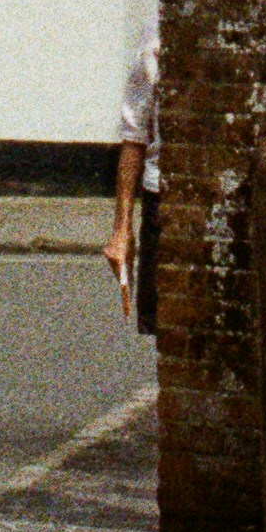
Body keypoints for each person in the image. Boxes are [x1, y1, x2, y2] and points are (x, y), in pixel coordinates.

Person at [105, 29, 160, 332]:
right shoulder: (155, 37)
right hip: (160, 199)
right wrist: (121, 230)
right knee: (162, 328)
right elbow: (134, 135)